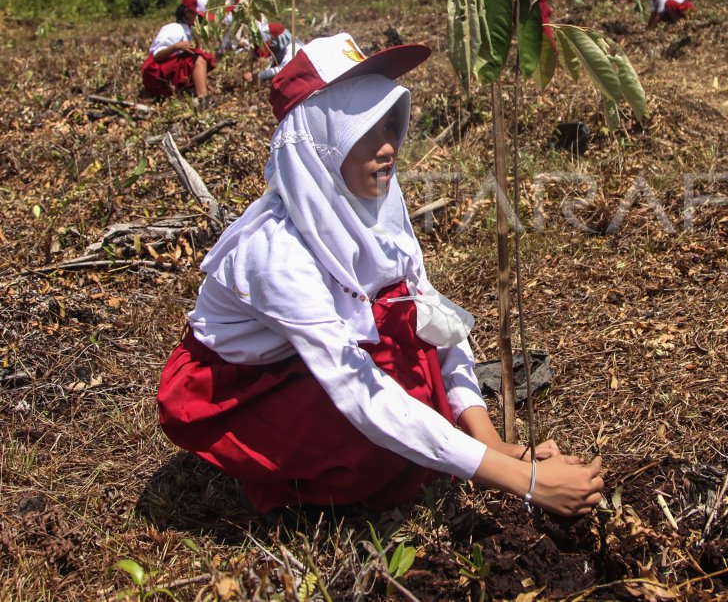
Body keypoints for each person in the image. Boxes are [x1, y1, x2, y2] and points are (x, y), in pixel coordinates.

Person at [156, 33, 603, 520]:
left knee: (412, 348)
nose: (389, 148)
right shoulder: (277, 256)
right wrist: (525, 482)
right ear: (321, 145)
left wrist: (493, 445)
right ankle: (282, 479)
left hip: (312, 362)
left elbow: (432, 317)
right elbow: (356, 391)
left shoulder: (375, 208)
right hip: (236, 389)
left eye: (392, 124)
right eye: (365, 130)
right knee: (377, 441)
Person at [142, 0, 215, 106]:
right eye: (198, 16)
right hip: (156, 75)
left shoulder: (187, 31)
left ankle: (197, 91)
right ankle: (202, 99)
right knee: (199, 58)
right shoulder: (174, 29)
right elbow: (156, 56)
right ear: (187, 12)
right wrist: (176, 47)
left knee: (194, 57)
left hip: (167, 73)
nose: (201, 20)